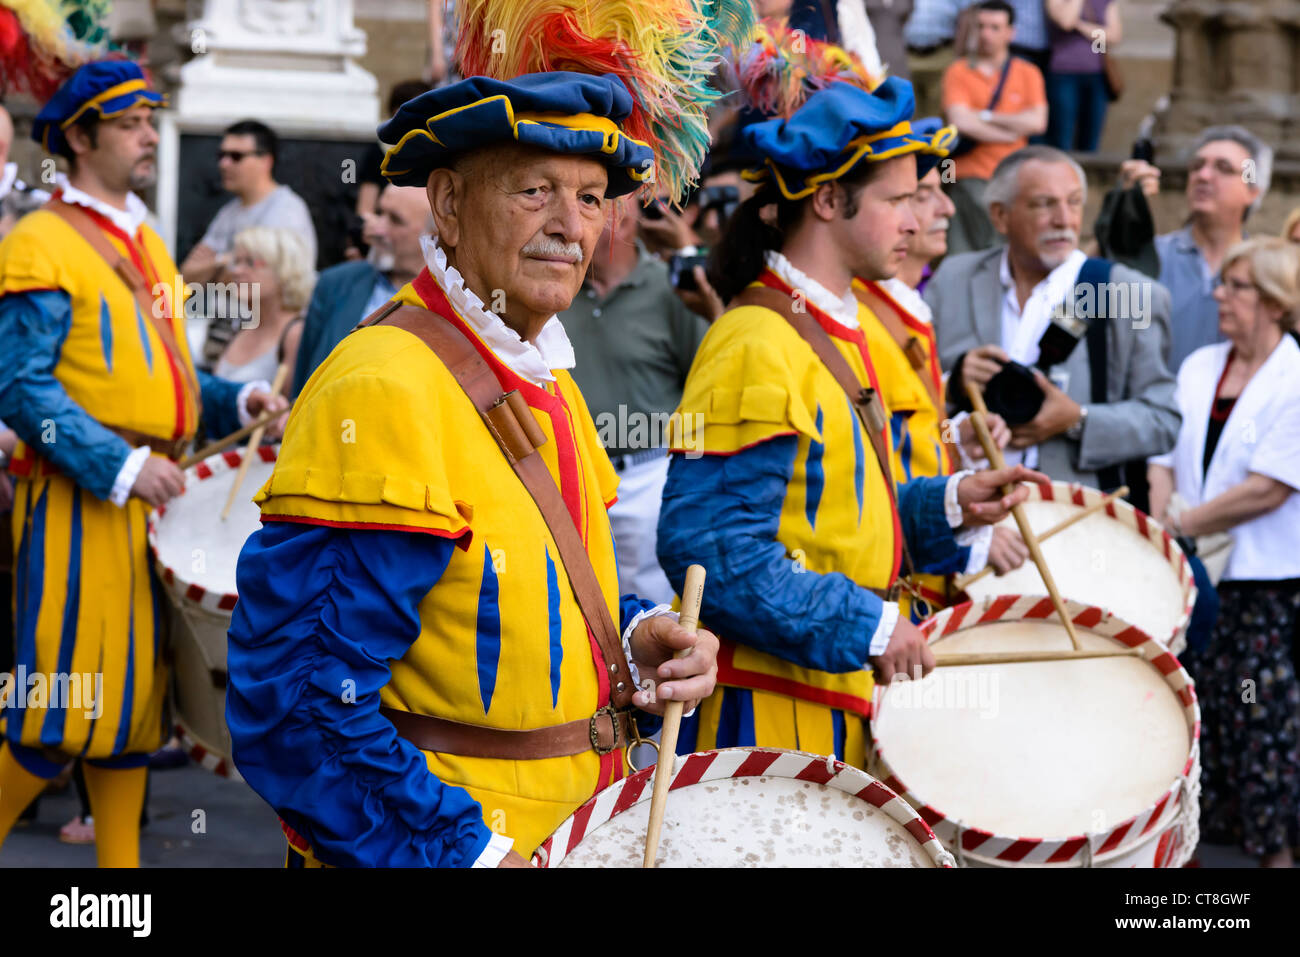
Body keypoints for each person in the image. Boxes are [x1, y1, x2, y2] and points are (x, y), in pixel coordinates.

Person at [224, 0, 754, 867]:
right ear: (449, 202)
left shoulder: (543, 371)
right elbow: (300, 708)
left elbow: (514, 600)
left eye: (590, 199)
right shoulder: (384, 385)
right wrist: (468, 852)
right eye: (534, 189)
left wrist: (630, 640)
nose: (572, 225)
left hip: (572, 831)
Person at [657, 75, 1046, 767]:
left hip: (829, 697)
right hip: (766, 713)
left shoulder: (832, 328)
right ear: (830, 199)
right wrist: (867, 621)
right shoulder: (756, 341)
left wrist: (949, 504)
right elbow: (713, 553)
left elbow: (836, 516)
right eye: (898, 199)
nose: (913, 219)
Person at [0, 60, 288, 868]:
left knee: (128, 714)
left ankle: (118, 885)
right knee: (59, 710)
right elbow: (20, 385)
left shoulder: (148, 242)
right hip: (75, 498)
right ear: (81, 137)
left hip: (146, 497)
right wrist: (122, 466)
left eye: (151, 119)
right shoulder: (38, 242)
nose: (150, 134)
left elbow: (171, 377)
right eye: (130, 123)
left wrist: (239, 400)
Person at [1147, 237, 1300, 868]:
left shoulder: (1294, 375)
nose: (1219, 295)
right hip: (1190, 569)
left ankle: (1274, 855)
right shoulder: (1198, 366)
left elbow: (1268, 488)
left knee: (1258, 714)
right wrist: (1163, 519)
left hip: (1261, 582)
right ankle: (1199, 854)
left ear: (1270, 301)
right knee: (1196, 709)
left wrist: (1179, 522)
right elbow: (1162, 454)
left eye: (1235, 286)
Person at [927, 145, 1179, 495]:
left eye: (1074, 202)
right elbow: (904, 406)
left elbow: (1164, 422)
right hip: (971, 510)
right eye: (1044, 204)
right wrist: (953, 387)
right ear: (1000, 216)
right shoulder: (953, 278)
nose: (1064, 220)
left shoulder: (1129, 293)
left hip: (1080, 523)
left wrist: (1078, 420)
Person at [852, 124, 1029, 616]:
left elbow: (904, 442)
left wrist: (956, 435)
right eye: (919, 195)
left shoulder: (905, 311)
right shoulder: (859, 317)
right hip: (889, 599)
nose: (946, 208)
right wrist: (965, 545)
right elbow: (856, 487)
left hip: (919, 588)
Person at [558, 198, 710, 606]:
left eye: (590, 207)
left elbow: (705, 382)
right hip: (573, 470)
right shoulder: (556, 286)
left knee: (656, 612)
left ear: (623, 225)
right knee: (581, 606)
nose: (571, 226)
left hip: (651, 474)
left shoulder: (670, 287)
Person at [292, 184, 434, 395]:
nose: (375, 228)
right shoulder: (334, 284)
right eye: (379, 213)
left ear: (433, 235)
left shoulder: (455, 303)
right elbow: (303, 384)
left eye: (395, 220)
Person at [1154, 125, 1273, 373]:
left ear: (1252, 190)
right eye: (1196, 166)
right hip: (1150, 410)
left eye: (1224, 168)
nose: (1204, 176)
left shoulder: (1265, 272)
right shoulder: (1151, 256)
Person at [941, 0, 1048, 255]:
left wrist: (984, 116)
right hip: (967, 177)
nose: (986, 34)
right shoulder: (958, 71)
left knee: (1008, 258)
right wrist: (1011, 131)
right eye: (980, 26)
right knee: (962, 258)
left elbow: (1037, 122)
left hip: (1013, 177)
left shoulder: (1028, 72)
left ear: (1011, 32)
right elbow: (960, 121)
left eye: (995, 27)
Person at [180, 120, 318, 283]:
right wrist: (224, 261)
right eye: (221, 155)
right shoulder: (229, 212)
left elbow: (269, 282)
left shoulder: (286, 209)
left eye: (236, 156)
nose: (224, 164)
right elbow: (187, 275)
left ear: (266, 161)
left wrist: (216, 264)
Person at [213, 226, 315, 391]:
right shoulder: (240, 326)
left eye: (250, 262)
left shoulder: (295, 334)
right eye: (236, 262)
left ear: (284, 270)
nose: (237, 271)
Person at [1044, 0, 1122, 152]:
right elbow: (1066, 21)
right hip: (1063, 73)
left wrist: (1080, 26)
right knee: (1062, 136)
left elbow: (1114, 36)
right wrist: (1097, 31)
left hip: (1097, 73)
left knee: (1091, 137)